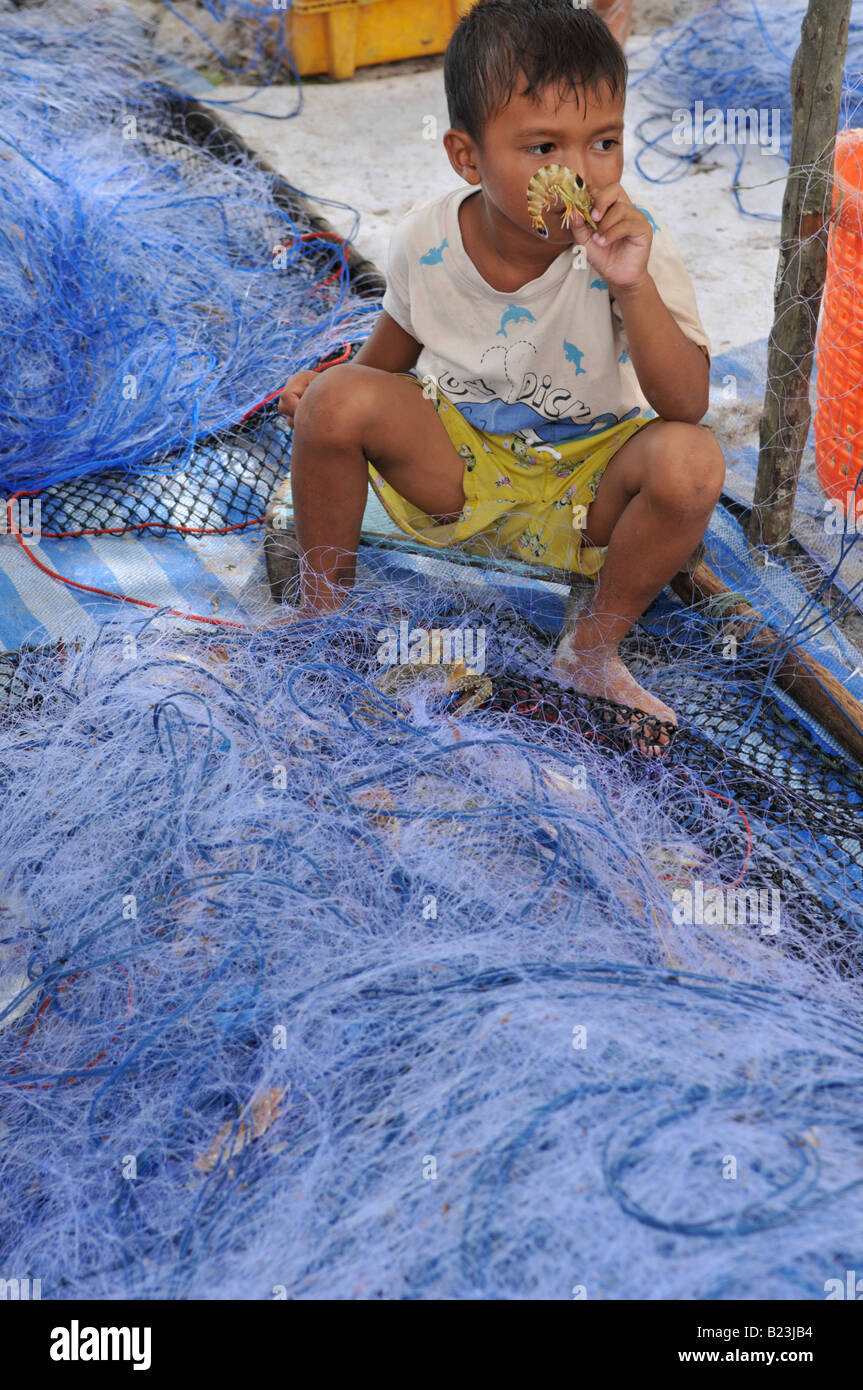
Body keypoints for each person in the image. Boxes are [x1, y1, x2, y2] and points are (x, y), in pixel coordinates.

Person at [277, 0, 724, 749]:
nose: (578, 172)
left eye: (604, 141)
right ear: (467, 158)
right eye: (543, 146)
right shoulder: (426, 236)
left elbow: (685, 403)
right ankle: (321, 612)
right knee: (335, 397)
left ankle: (588, 653)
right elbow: (386, 362)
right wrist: (323, 407)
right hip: (459, 469)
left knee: (691, 461)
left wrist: (631, 286)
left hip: (587, 481)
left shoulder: (634, 248)